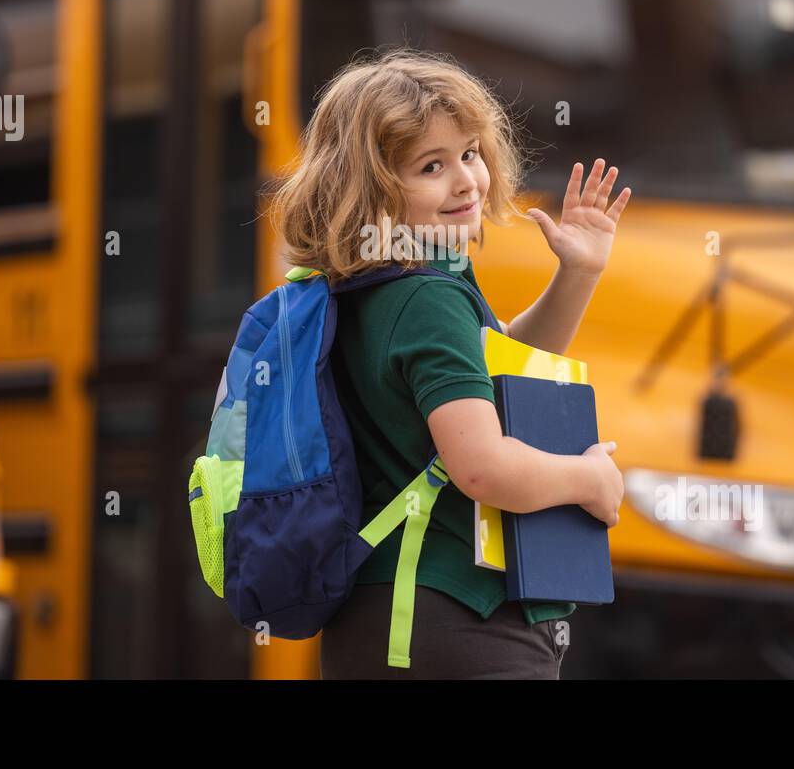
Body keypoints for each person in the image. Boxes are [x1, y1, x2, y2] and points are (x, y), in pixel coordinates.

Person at [266, 48, 631, 679]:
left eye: (469, 153)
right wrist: (587, 480)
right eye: (431, 166)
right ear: (375, 188)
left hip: (385, 620)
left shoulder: (373, 284)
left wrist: (578, 272)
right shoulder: (427, 298)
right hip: (454, 621)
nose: (466, 180)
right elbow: (483, 470)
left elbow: (499, 371)